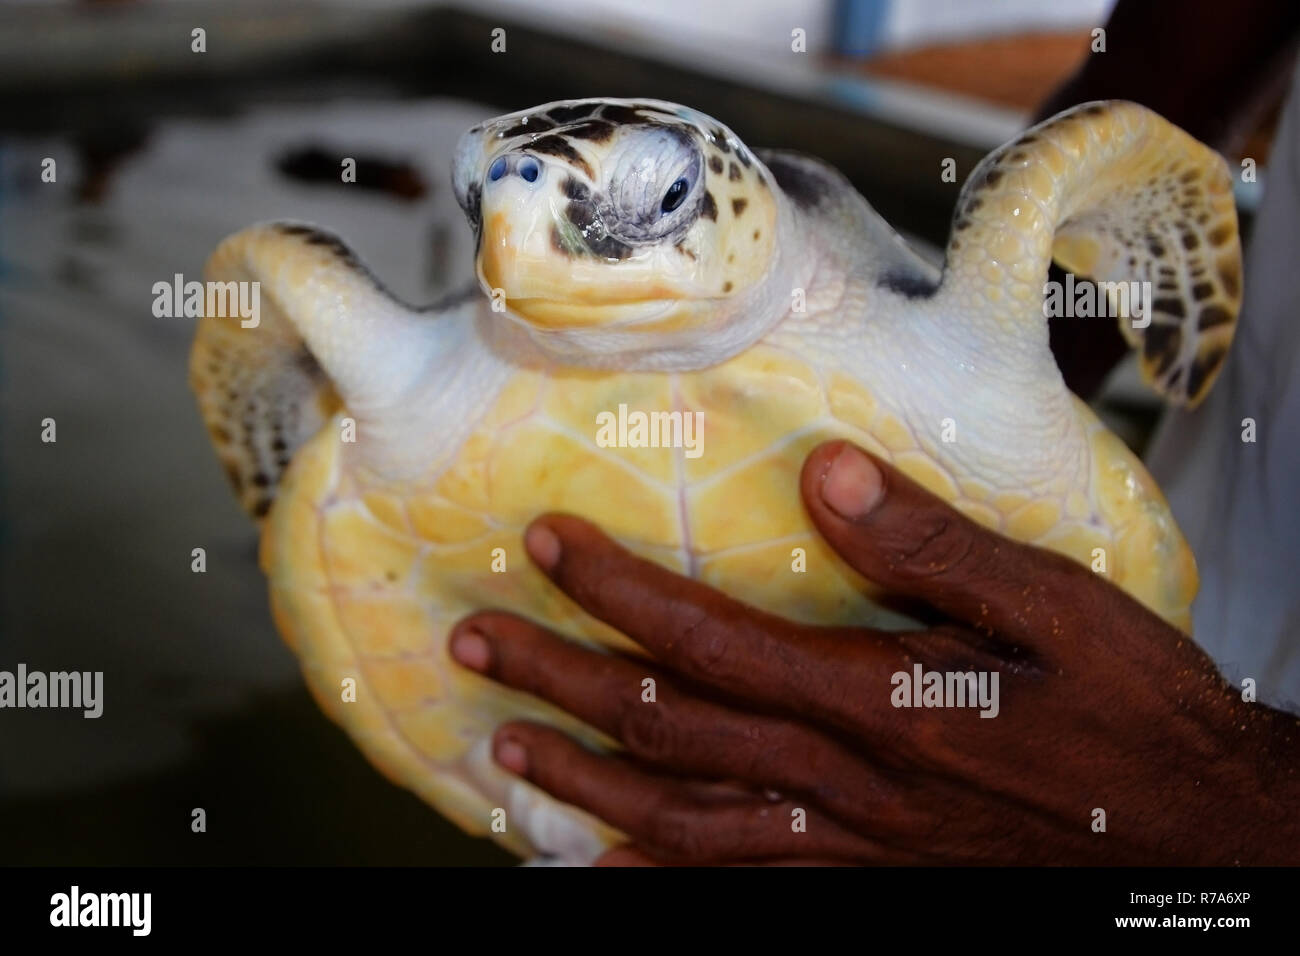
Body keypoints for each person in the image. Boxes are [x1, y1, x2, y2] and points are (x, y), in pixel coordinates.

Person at [449, 4, 1300, 864]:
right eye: (481, 201)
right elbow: (1181, 58)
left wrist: (1219, 805)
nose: (517, 249)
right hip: (1165, 641)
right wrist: (987, 387)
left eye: (662, 194)